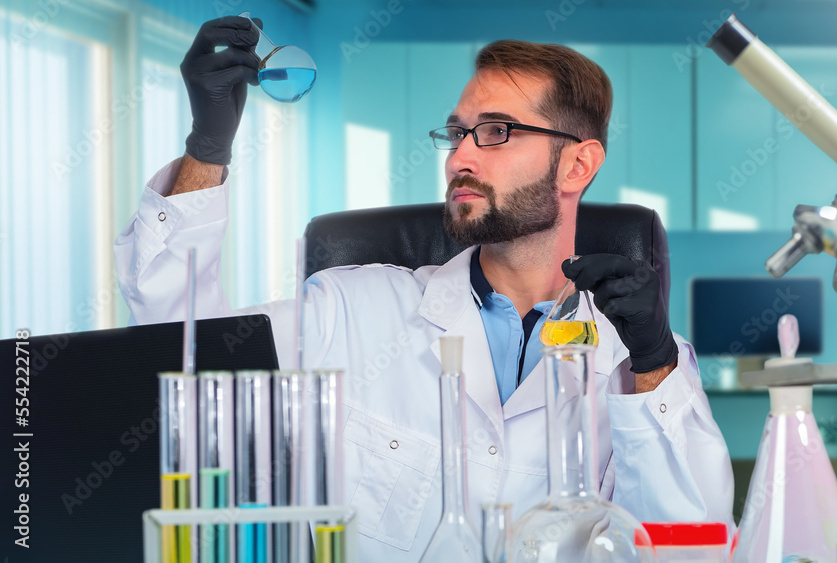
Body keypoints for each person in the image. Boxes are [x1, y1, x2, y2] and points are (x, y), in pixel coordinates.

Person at [114, 16, 735, 560]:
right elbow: (183, 355)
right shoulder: (351, 312)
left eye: (496, 131)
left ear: (577, 164)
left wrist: (654, 367)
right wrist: (207, 148)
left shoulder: (637, 360)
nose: (460, 157)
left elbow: (693, 548)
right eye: (457, 133)